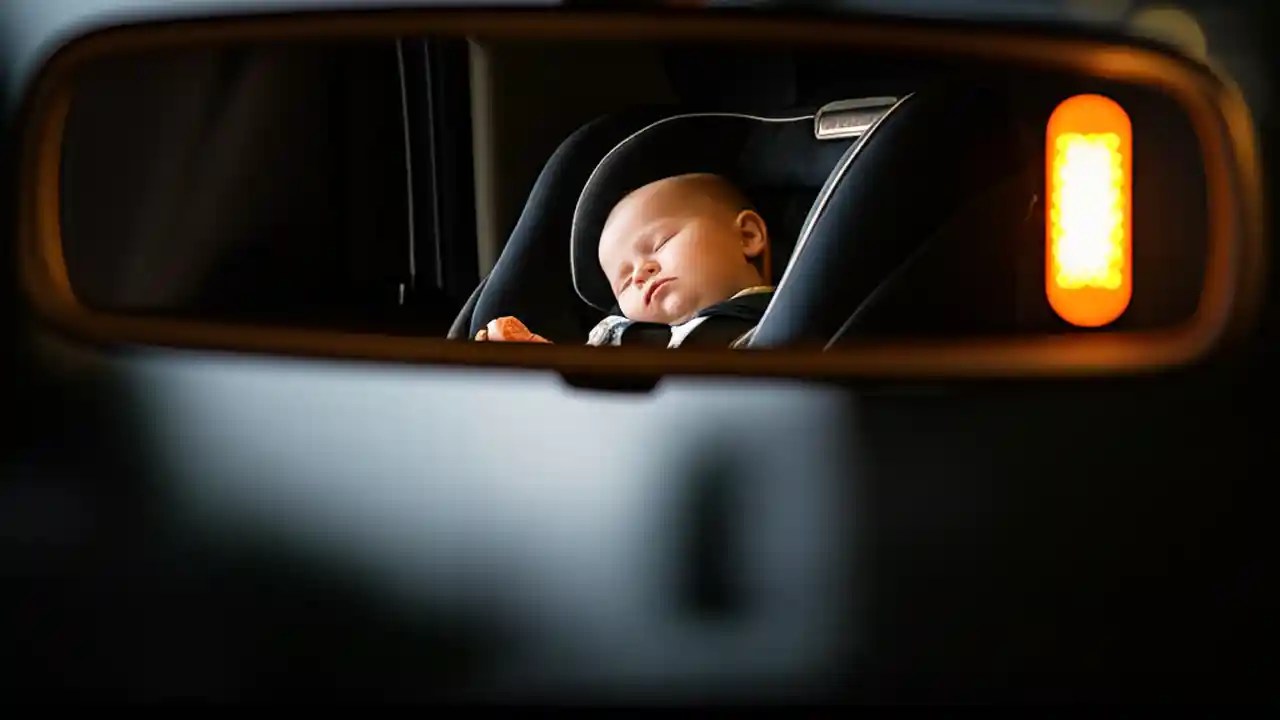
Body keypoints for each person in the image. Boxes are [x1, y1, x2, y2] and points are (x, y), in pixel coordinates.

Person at [476, 172, 774, 348]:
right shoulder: (621, 337)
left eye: (659, 244)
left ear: (747, 236)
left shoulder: (783, 324)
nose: (641, 275)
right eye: (625, 282)